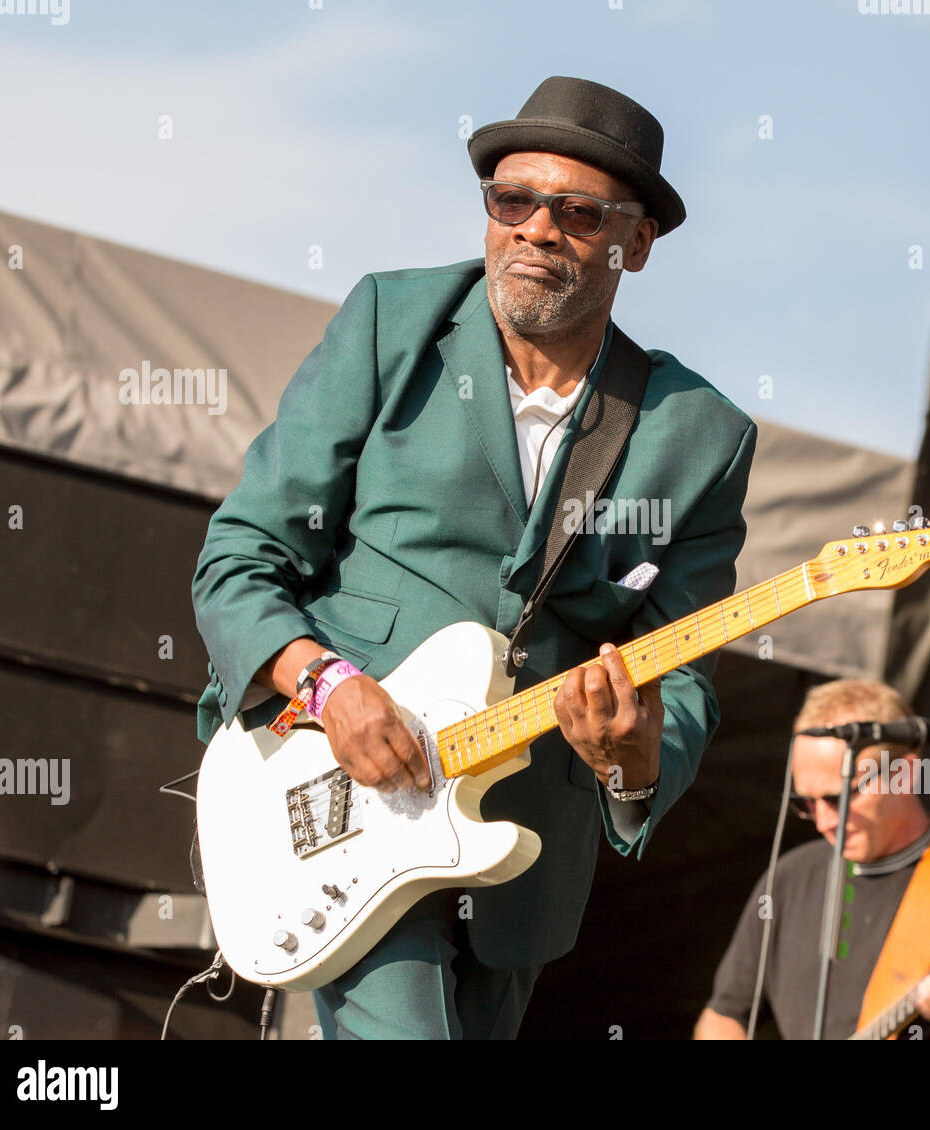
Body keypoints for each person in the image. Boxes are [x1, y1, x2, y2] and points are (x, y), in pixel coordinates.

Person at [191, 76, 756, 1039]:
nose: (537, 228)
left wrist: (630, 758)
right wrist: (329, 687)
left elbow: (686, 676)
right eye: (511, 200)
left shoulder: (700, 433)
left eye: (577, 212)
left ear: (637, 243)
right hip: (332, 787)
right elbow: (241, 555)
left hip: (517, 861)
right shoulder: (391, 322)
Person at [695, 679, 930, 1040]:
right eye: (807, 804)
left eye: (838, 799)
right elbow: (722, 1016)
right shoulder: (788, 880)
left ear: (905, 774)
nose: (824, 822)